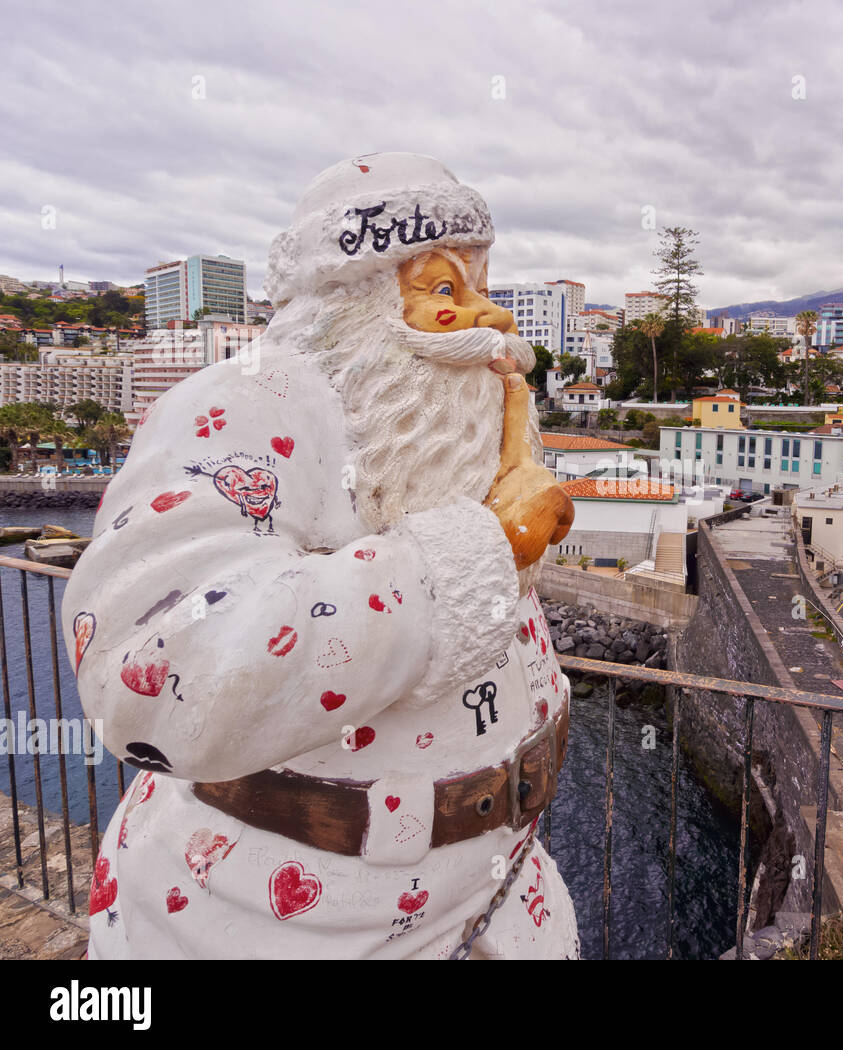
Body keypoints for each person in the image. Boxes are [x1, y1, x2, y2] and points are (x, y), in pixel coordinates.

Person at [62, 153, 582, 960]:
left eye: (483, 284)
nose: (492, 314)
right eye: (445, 287)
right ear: (358, 302)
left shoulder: (436, 423)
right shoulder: (241, 403)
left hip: (499, 890)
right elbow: (152, 674)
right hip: (282, 926)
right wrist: (488, 544)